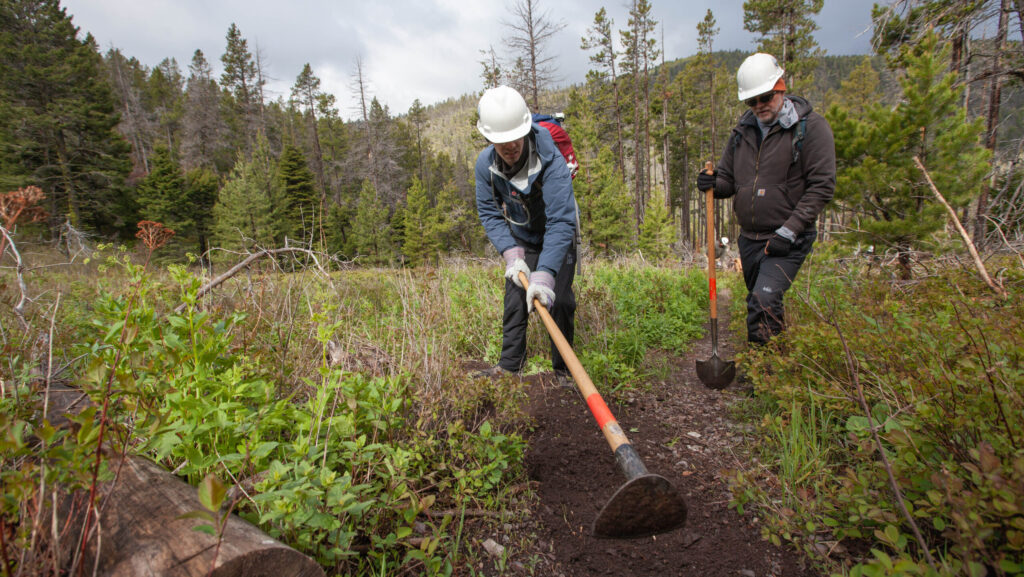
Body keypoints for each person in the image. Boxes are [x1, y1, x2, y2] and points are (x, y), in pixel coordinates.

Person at [697, 53, 835, 345]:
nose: (759, 106)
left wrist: (789, 231)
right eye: (752, 101)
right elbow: (729, 182)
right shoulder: (742, 133)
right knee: (761, 302)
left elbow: (822, 186)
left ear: (781, 88)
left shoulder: (810, 128)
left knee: (763, 300)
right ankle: (771, 366)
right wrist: (711, 183)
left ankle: (766, 372)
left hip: (787, 238)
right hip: (750, 239)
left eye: (766, 97)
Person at [472, 85, 578, 382]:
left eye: (515, 139)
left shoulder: (552, 159)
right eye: (501, 142)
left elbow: (561, 221)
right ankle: (509, 367)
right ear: (489, 138)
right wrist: (512, 254)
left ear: (526, 128)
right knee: (515, 299)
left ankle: (564, 371)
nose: (510, 147)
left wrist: (543, 276)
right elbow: (490, 213)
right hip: (521, 234)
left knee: (562, 300)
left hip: (557, 232)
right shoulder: (486, 166)